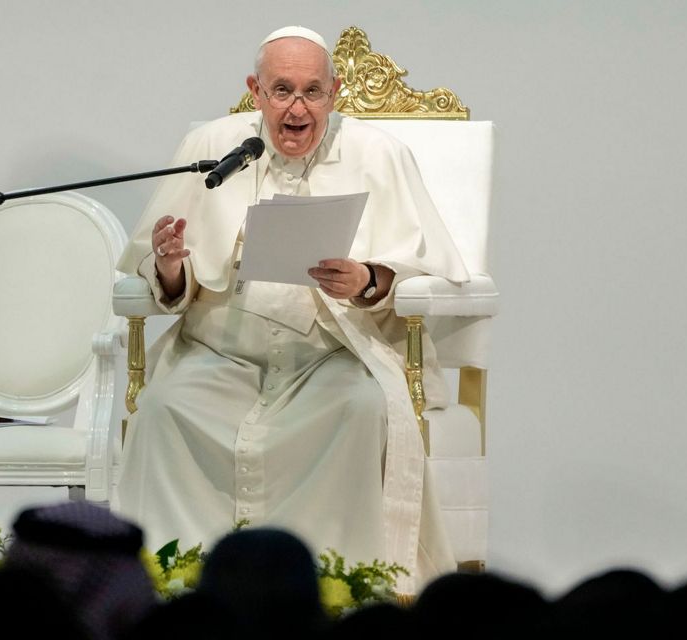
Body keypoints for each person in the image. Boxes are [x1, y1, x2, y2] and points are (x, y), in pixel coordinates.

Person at [114, 26, 469, 594]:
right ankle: (177, 589)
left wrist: (367, 278)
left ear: (336, 91)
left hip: (328, 357)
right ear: (255, 91)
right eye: (282, 91)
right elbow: (161, 280)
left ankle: (340, 589)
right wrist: (170, 263)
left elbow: (421, 264)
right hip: (217, 353)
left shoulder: (379, 155)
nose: (297, 109)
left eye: (312, 92)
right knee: (162, 407)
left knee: (358, 409)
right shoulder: (213, 149)